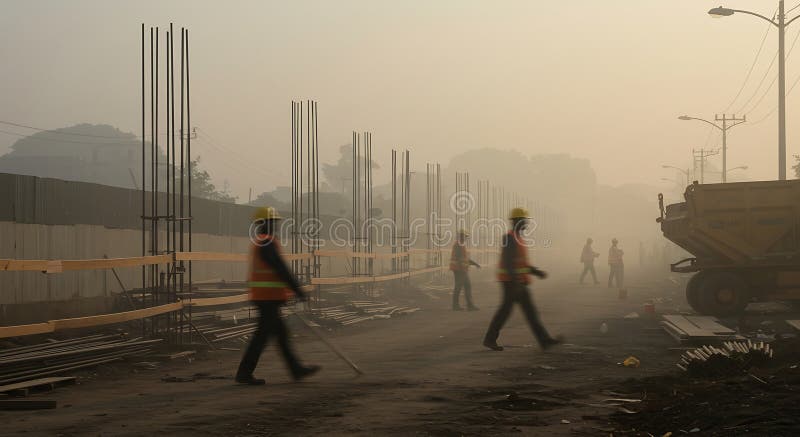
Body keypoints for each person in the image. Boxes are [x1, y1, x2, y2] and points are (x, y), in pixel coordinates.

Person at [236, 207, 320, 385]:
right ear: (264, 223)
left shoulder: (262, 242)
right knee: (263, 337)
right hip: (267, 298)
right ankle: (244, 373)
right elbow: (280, 267)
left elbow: (276, 269)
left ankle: (295, 369)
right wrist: (297, 289)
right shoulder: (266, 242)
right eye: (272, 222)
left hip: (266, 297)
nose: (275, 225)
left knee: (279, 334)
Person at [483, 207, 562, 351]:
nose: (526, 223)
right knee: (506, 311)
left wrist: (536, 272)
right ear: (517, 221)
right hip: (511, 282)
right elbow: (508, 262)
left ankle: (544, 340)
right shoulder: (509, 237)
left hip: (518, 282)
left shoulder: (518, 238)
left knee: (529, 312)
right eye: (524, 220)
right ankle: (490, 339)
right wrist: (516, 281)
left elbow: (522, 263)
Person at [450, 229, 481, 311]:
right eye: (465, 236)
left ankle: (460, 305)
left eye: (466, 237)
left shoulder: (461, 244)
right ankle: (467, 305)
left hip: (460, 269)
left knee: (463, 286)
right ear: (461, 236)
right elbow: (459, 258)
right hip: (460, 270)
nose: (465, 238)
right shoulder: (458, 244)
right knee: (462, 286)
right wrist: (462, 269)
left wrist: (475, 264)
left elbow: (466, 259)